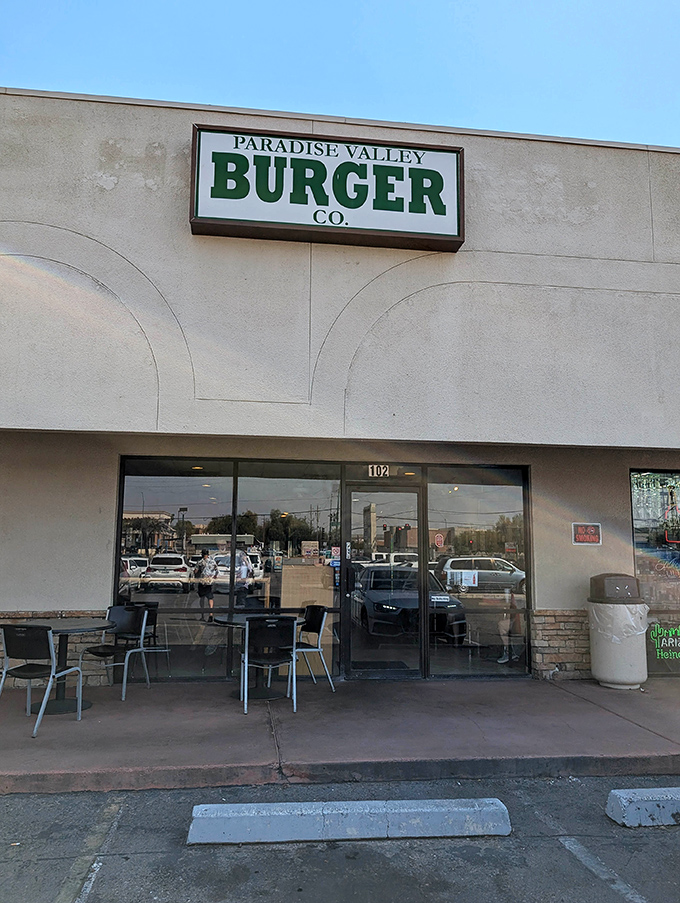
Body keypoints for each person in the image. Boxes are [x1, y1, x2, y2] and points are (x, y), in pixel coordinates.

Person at [498, 589, 523, 664]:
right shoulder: (514, 597)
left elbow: (515, 610)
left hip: (520, 621)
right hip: (518, 619)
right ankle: (509, 650)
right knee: (501, 624)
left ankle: (509, 651)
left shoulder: (518, 597)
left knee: (501, 625)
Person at [194, 549, 218, 621]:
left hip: (202, 582)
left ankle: (202, 615)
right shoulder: (212, 561)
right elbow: (217, 570)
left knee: (202, 598)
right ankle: (211, 613)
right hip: (209, 582)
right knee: (210, 598)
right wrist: (214, 577)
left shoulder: (200, 562)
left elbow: (196, 571)